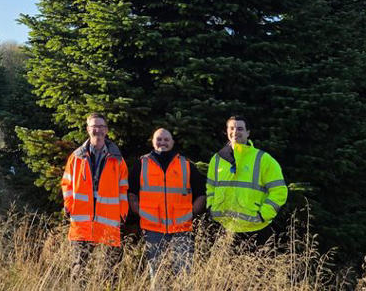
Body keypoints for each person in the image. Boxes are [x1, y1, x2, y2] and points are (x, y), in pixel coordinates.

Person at [128, 128, 206, 281]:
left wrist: (191, 213)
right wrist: (139, 211)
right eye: (159, 139)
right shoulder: (141, 164)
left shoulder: (186, 164)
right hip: (153, 229)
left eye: (166, 139)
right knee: (157, 275)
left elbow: (201, 194)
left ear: (172, 142)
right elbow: (131, 193)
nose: (162, 142)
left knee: (184, 275)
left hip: (182, 229)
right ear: (152, 141)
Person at [61, 113, 129, 285]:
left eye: (101, 126)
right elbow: (67, 184)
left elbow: (123, 188)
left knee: (110, 271)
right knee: (79, 270)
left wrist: (122, 212)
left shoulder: (118, 159)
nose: (97, 130)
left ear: (106, 130)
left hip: (108, 222)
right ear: (87, 129)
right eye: (94, 126)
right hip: (82, 222)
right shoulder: (76, 157)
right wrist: (69, 206)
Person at [206, 115, 288, 245]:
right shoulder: (217, 159)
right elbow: (210, 187)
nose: (235, 132)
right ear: (227, 131)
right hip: (226, 228)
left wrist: (263, 215)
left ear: (248, 133)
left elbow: (279, 191)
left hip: (256, 230)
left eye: (240, 129)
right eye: (231, 128)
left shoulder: (263, 159)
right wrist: (211, 208)